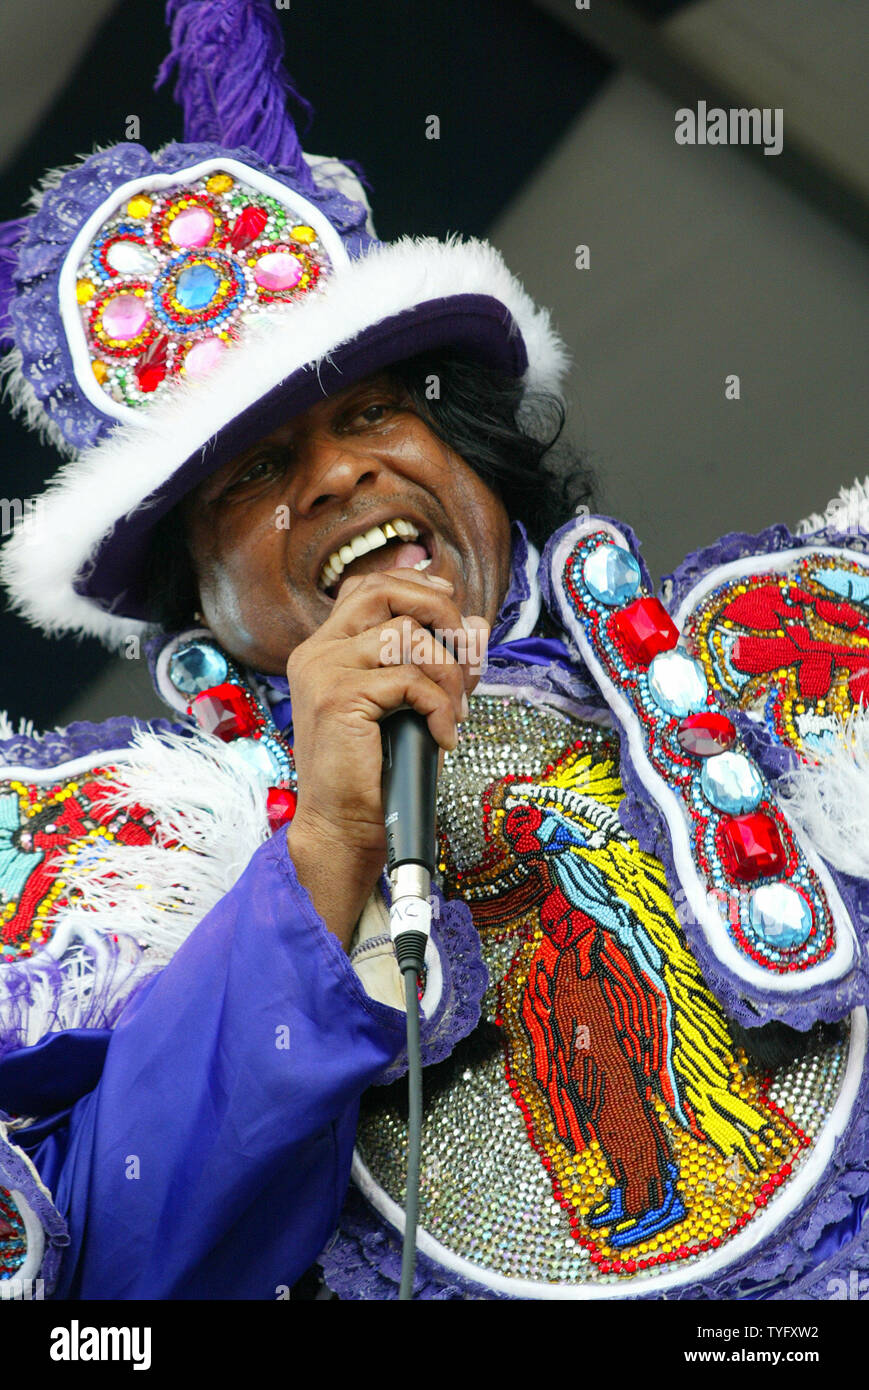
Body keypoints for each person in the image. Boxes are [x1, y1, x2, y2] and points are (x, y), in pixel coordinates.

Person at [0, 0, 867, 1301]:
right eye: (260, 469)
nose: (343, 468)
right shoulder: (123, 880)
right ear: (197, 597)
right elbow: (114, 1265)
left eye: (373, 412)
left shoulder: (793, 647)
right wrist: (323, 859)